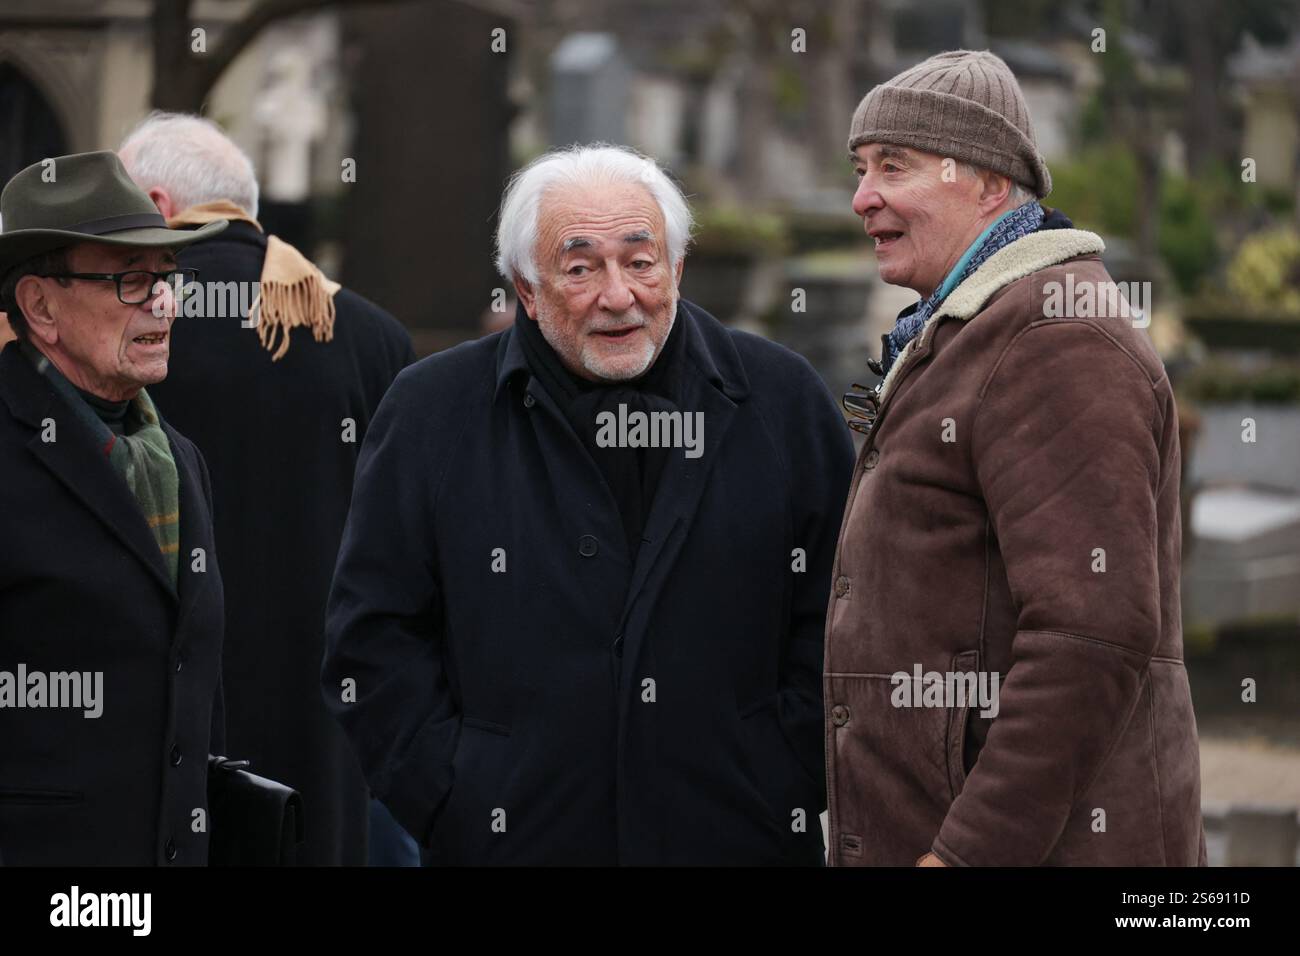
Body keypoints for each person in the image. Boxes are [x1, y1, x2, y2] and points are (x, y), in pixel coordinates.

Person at [323, 144, 854, 865]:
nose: (618, 295)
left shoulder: (782, 401)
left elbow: (842, 617)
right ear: (527, 290)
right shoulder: (431, 413)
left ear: (678, 268)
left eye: (641, 261)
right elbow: (373, 636)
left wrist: (780, 773)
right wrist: (456, 794)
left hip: (736, 838)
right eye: (580, 268)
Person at [826, 50, 1205, 866]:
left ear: (991, 184)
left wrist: (967, 855)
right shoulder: (974, 325)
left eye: (895, 166)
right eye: (860, 168)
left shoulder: (1053, 338)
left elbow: (1092, 633)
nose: (863, 197)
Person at [119, 112, 416, 866]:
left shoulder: (124, 327)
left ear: (156, 209)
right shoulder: (371, 336)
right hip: (323, 722)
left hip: (156, 712)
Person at [0, 151, 227, 865]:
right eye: (130, 280)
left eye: (166, 278)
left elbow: (197, 681)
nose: (162, 303)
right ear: (40, 306)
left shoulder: (179, 457)